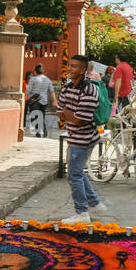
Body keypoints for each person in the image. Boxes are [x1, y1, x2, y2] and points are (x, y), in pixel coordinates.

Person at [56, 53, 109, 223]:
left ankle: (82, 212)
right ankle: (94, 202)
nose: (70, 69)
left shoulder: (90, 89)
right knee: (77, 172)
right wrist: (69, 114)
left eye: (74, 66)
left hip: (84, 138)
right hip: (74, 136)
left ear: (83, 70)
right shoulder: (67, 87)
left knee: (74, 175)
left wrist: (68, 114)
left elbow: (80, 119)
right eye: (69, 65)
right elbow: (60, 111)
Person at [24, 62, 57, 137]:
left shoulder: (33, 79)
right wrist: (54, 100)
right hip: (44, 101)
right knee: (42, 115)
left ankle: (38, 132)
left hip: (34, 101)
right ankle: (44, 130)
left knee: (35, 116)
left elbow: (28, 91)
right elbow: (51, 91)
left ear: (35, 71)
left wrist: (26, 96)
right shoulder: (48, 80)